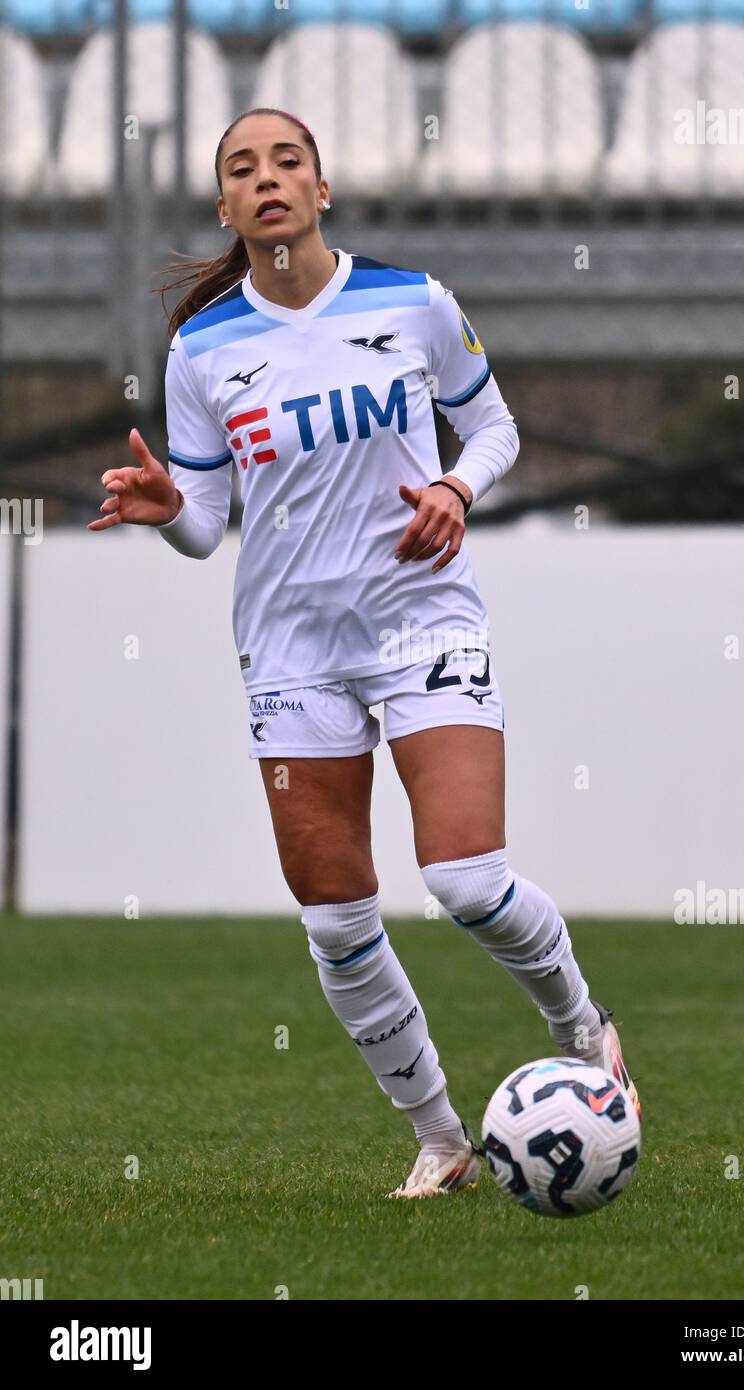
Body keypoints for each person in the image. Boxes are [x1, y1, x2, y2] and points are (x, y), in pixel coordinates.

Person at [89, 107, 640, 1198]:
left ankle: (582, 1024)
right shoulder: (201, 349)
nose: (267, 179)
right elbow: (206, 525)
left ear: (321, 188)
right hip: (290, 646)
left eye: (286, 160)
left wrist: (451, 487)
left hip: (422, 618)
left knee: (467, 877)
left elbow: (494, 429)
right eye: (242, 168)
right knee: (337, 914)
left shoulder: (412, 299)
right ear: (226, 208)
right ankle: (440, 1138)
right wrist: (164, 507)